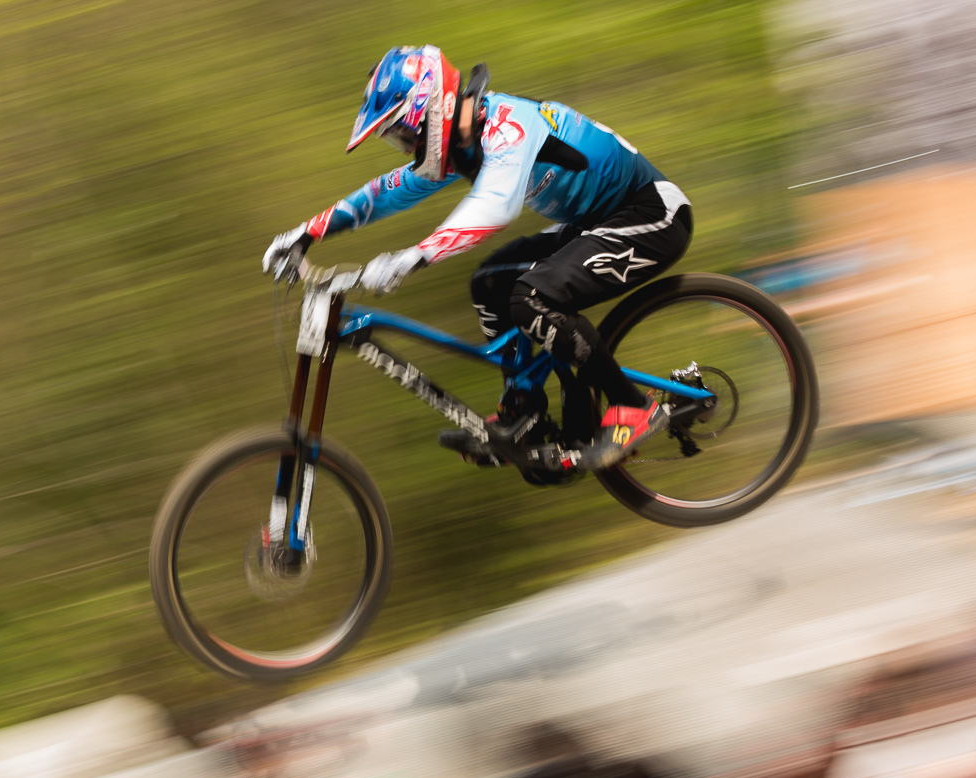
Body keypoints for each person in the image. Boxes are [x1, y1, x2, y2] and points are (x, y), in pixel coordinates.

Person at [262, 46, 693, 473]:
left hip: (652, 216)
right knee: (490, 282)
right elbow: (387, 191)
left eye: (402, 132)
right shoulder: (462, 145)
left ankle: (634, 407)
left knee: (532, 298)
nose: (405, 145)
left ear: (431, 109)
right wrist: (307, 232)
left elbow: (494, 206)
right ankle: (524, 410)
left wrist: (414, 256)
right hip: (594, 223)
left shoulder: (508, 126)